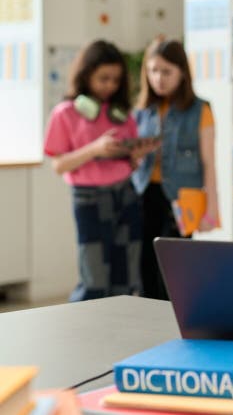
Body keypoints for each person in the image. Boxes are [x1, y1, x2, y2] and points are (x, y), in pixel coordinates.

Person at [44, 40, 157, 301]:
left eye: (116, 80)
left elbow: (127, 162)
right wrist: (94, 149)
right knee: (94, 278)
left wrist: (135, 156)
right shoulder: (65, 113)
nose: (110, 85)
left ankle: (119, 337)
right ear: (86, 75)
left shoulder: (121, 113)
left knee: (126, 277)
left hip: (125, 196)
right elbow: (59, 165)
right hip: (89, 199)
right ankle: (85, 336)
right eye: (103, 78)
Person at [132, 37, 220, 300]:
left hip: (182, 199)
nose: (158, 78)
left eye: (166, 71)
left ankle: (173, 324)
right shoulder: (142, 111)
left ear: (182, 72)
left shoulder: (200, 110)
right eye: (153, 71)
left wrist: (212, 210)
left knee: (174, 270)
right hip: (145, 195)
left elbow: (209, 163)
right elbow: (131, 162)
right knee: (145, 267)